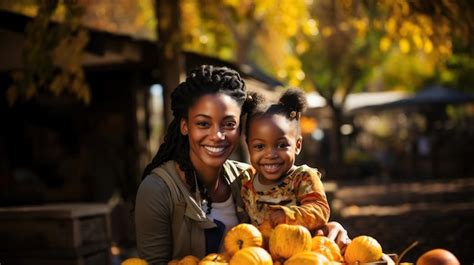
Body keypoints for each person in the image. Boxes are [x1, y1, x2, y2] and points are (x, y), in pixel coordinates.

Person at [134, 65, 349, 264]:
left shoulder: (247, 179)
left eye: (228, 124)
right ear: (184, 126)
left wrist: (329, 229)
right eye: (203, 123)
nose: (217, 135)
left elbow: (294, 224)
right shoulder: (159, 191)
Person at [241, 89, 330, 231]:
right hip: (259, 252)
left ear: (297, 145)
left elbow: (319, 211)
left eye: (281, 145)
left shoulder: (302, 178)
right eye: (259, 146)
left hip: (301, 249)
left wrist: (287, 215)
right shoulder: (247, 185)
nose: (270, 154)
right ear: (248, 146)